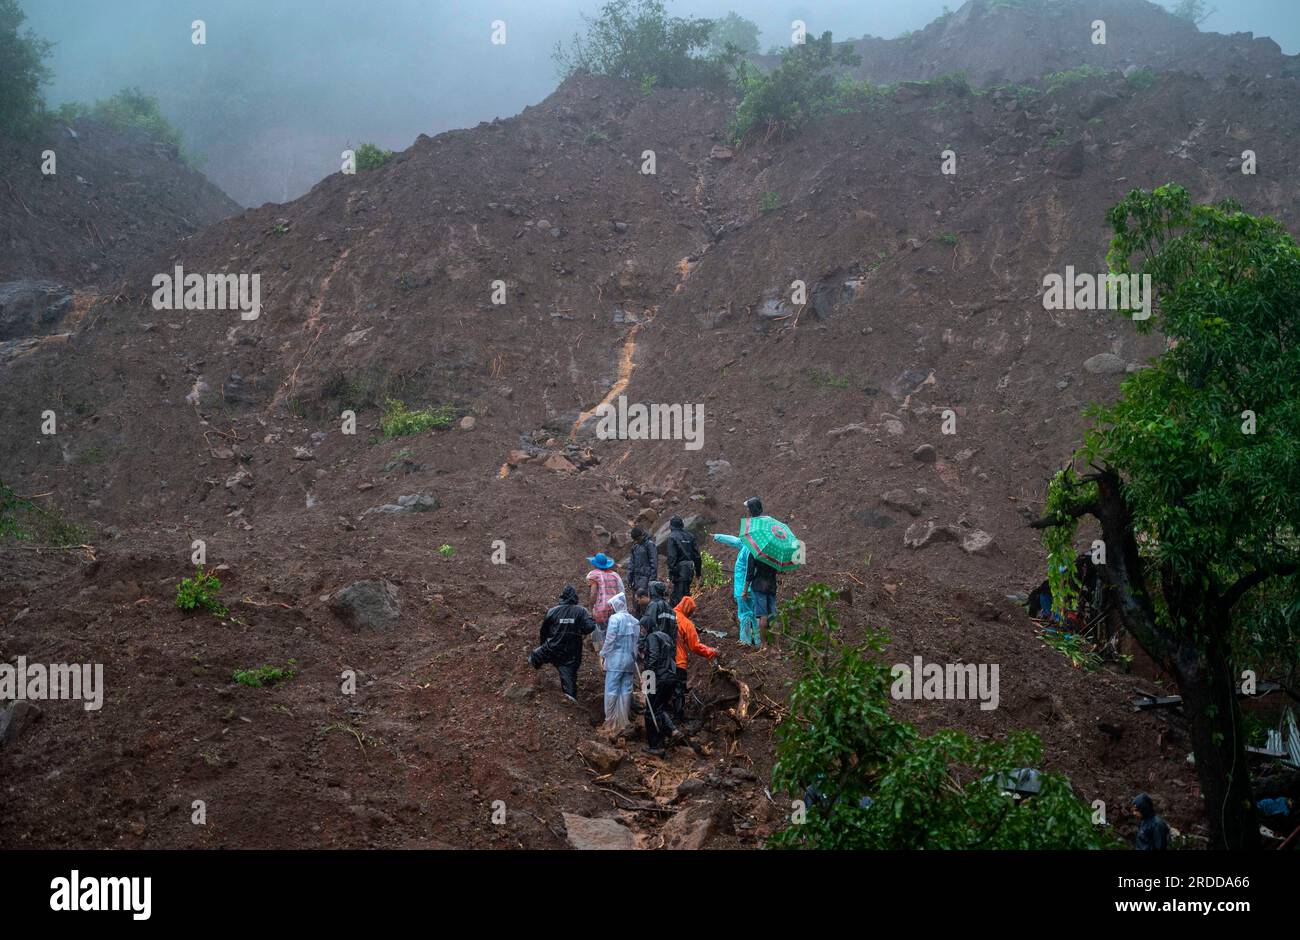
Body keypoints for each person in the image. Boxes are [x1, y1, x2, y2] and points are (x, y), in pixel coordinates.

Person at [529, 585, 595, 703]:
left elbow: (543, 631)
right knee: (569, 681)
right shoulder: (581, 611)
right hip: (571, 653)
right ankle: (571, 703)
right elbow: (590, 627)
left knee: (533, 658)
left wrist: (544, 646)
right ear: (575, 597)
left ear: (562, 597)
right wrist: (580, 629)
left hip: (552, 647)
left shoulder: (553, 611)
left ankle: (528, 680)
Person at [639, 599, 680, 755]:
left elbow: (654, 658)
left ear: (647, 627)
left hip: (659, 678)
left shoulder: (652, 637)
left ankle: (655, 746)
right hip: (671, 676)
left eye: (642, 627)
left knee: (650, 711)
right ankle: (672, 732)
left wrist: (646, 677)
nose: (641, 630)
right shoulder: (666, 636)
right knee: (659, 708)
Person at [671, 595, 717, 719]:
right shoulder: (686, 623)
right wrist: (711, 651)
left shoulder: (666, 614)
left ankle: (661, 717)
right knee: (678, 691)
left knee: (658, 690)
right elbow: (695, 646)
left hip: (661, 661)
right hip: (678, 662)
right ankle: (678, 719)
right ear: (688, 609)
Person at [599, 592, 639, 735]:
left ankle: (610, 722)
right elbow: (636, 645)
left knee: (611, 689)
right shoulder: (635, 621)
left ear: (616, 605)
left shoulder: (615, 619)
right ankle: (623, 722)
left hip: (615, 661)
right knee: (626, 690)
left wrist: (602, 654)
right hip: (629, 662)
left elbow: (610, 640)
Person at [585, 553, 624, 652]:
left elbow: (593, 593)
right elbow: (621, 592)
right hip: (614, 608)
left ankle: (601, 655)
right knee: (612, 631)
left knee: (599, 632)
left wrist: (590, 607)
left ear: (595, 564)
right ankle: (613, 653)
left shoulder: (594, 575)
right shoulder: (615, 575)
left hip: (600, 609)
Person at [744, 549, 779, 648]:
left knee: (763, 617)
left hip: (759, 587)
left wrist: (745, 590)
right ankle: (777, 646)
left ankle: (764, 646)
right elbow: (776, 570)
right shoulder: (775, 552)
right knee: (773, 616)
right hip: (771, 586)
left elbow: (750, 574)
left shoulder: (755, 551)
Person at [665, 516, 702, 605]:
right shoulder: (690, 536)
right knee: (685, 594)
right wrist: (698, 573)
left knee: (679, 598)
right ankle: (684, 615)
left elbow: (672, 557)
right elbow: (697, 556)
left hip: (679, 570)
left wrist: (670, 575)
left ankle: (679, 617)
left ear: (671, 527)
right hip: (689, 570)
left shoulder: (672, 537)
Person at [627, 526, 659, 615]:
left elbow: (654, 563)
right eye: (635, 540)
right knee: (636, 604)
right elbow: (631, 564)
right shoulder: (635, 547)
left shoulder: (649, 545)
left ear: (642, 535)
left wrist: (652, 580)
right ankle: (637, 625)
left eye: (637, 539)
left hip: (646, 579)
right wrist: (630, 579)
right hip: (636, 580)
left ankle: (646, 625)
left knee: (645, 605)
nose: (636, 541)